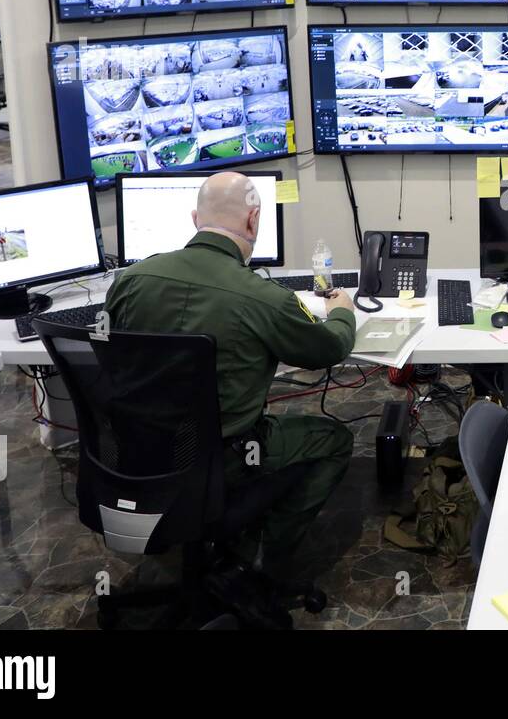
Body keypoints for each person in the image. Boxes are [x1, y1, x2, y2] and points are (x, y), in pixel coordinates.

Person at [105, 170, 357, 619]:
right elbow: (329, 350)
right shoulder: (264, 298)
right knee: (333, 440)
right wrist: (341, 312)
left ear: (195, 218)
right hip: (227, 461)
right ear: (254, 219)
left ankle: (231, 548)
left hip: (135, 460)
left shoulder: (130, 281)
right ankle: (259, 570)